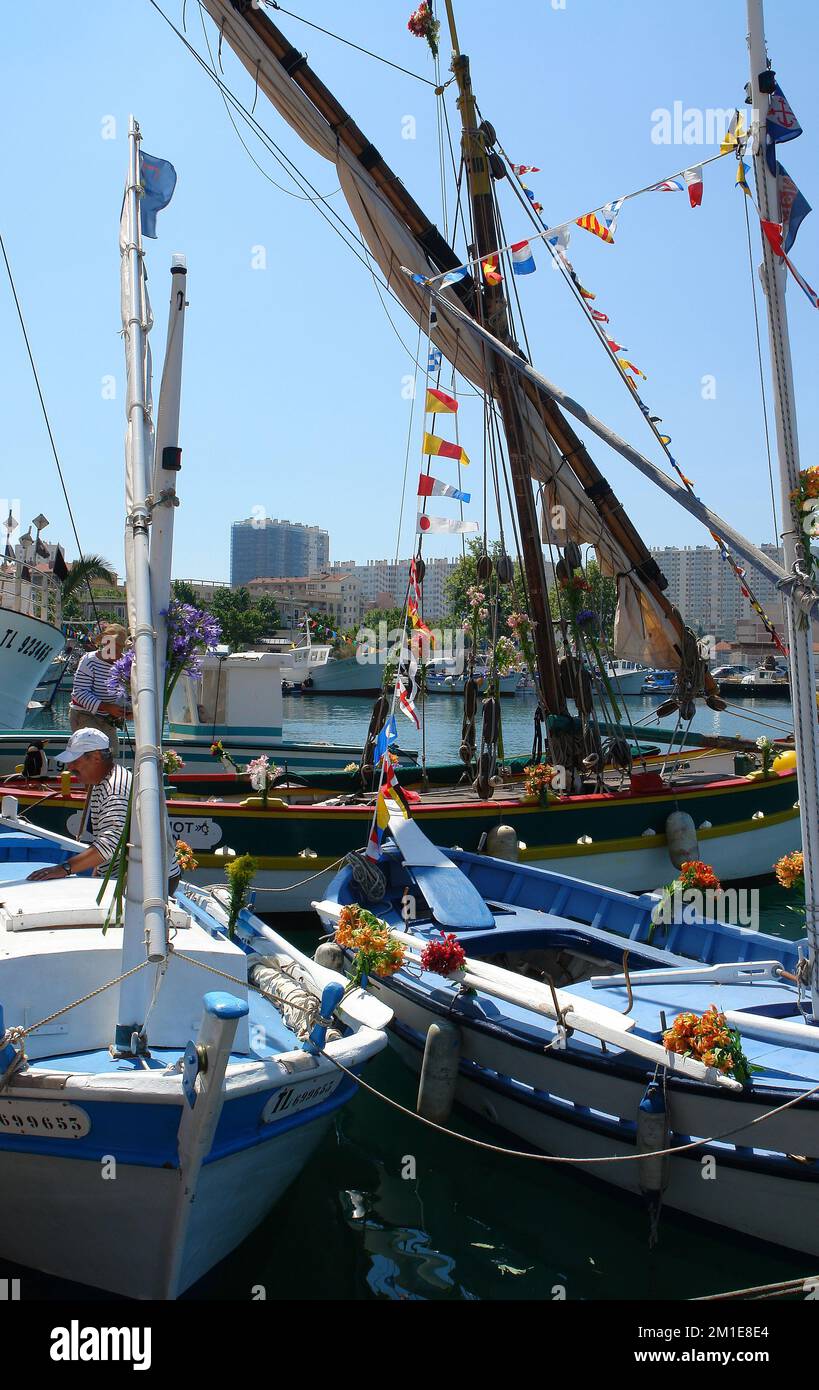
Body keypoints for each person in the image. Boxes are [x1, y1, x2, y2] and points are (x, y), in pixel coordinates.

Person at [27, 728, 180, 896]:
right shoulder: (105, 780)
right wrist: (99, 870)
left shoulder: (114, 790)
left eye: (75, 760)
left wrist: (64, 868)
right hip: (145, 876)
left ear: (96, 757)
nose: (70, 767)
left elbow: (110, 844)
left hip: (148, 883)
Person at [68, 624, 131, 756]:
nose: (116, 652)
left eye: (119, 648)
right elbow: (80, 693)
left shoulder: (125, 664)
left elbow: (126, 693)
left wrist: (127, 710)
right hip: (84, 714)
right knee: (94, 755)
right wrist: (107, 707)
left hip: (108, 718)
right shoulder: (89, 660)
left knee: (111, 754)